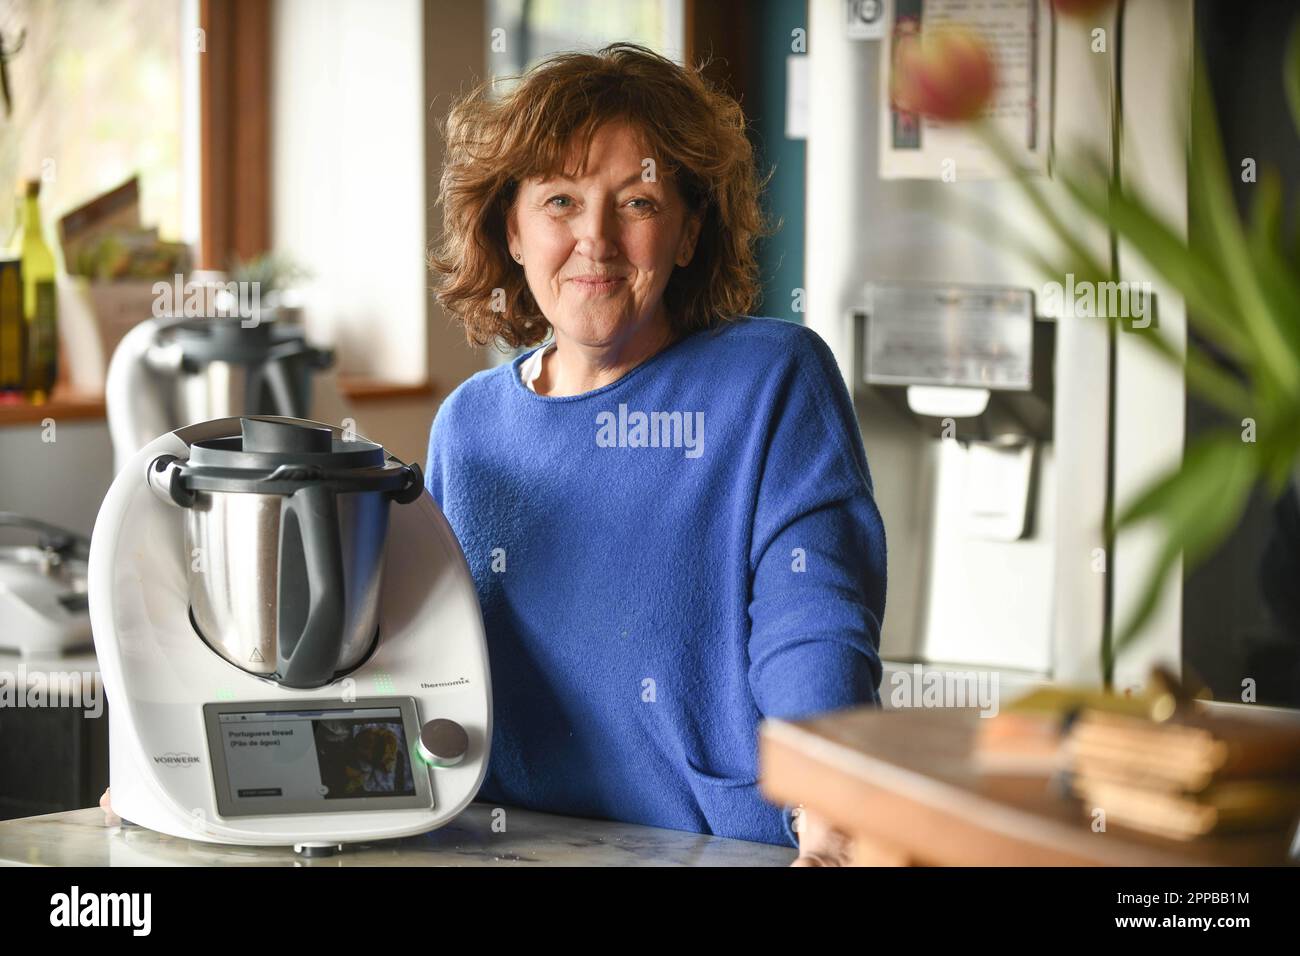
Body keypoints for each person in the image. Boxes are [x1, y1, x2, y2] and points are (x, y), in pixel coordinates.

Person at [426, 42, 888, 865]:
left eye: (636, 203)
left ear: (687, 232)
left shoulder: (773, 380)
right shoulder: (467, 429)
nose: (594, 239)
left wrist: (827, 803)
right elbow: (415, 660)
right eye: (561, 200)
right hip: (504, 847)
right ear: (513, 228)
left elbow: (813, 623)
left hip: (720, 848)